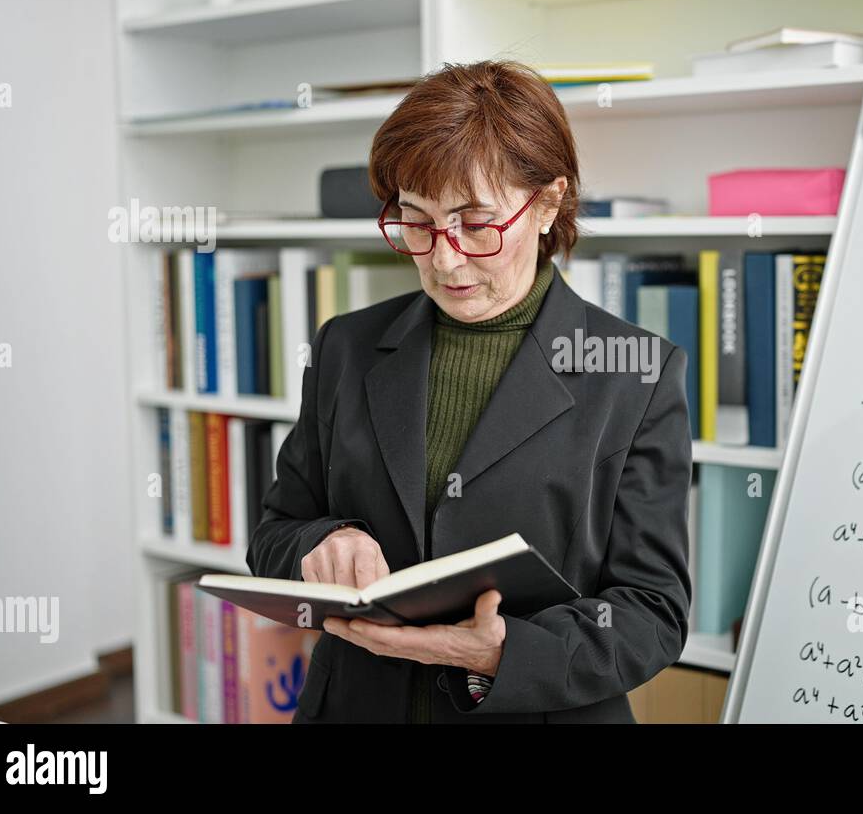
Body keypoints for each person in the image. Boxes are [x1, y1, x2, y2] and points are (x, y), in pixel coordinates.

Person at [247, 59, 693, 723]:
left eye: (477, 224)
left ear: (547, 204)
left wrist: (504, 653)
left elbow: (652, 612)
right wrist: (323, 541)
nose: (444, 258)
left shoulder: (637, 374)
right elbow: (273, 534)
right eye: (417, 221)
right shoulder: (346, 346)